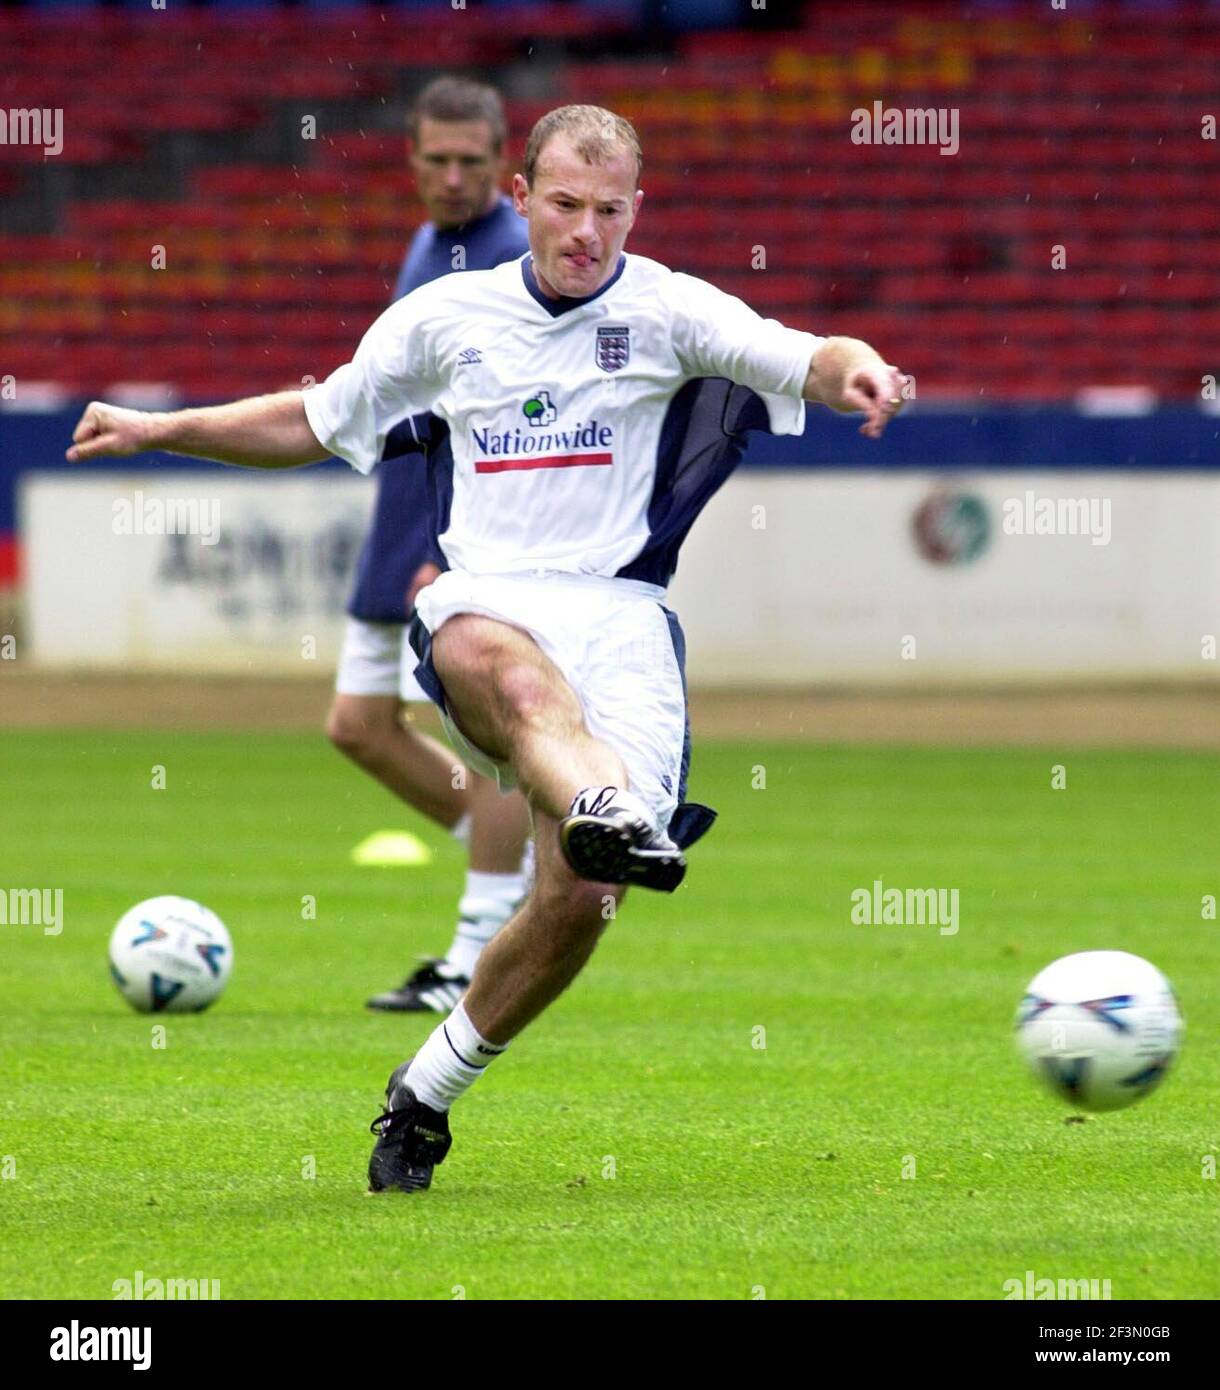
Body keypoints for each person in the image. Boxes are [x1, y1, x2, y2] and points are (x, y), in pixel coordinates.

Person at [66, 104, 907, 1196]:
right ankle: (609, 811)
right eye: (562, 205)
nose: (585, 231)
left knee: (576, 902)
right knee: (510, 679)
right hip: (477, 600)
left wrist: (860, 368)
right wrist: (157, 428)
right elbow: (315, 422)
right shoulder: (444, 318)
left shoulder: (669, 310)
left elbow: (800, 353)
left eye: (608, 210)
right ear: (520, 199)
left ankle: (422, 1093)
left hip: (621, 619)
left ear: (634, 210)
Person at [325, 76, 532, 1015]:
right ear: (410, 158)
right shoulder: (429, 242)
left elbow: (500, 422)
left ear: (503, 164)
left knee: (483, 742)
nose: (452, 177)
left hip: (451, 532)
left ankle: (475, 949)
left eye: (472, 163)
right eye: (436, 159)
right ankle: (519, 869)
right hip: (395, 517)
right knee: (358, 727)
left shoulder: (511, 260)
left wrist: (453, 554)